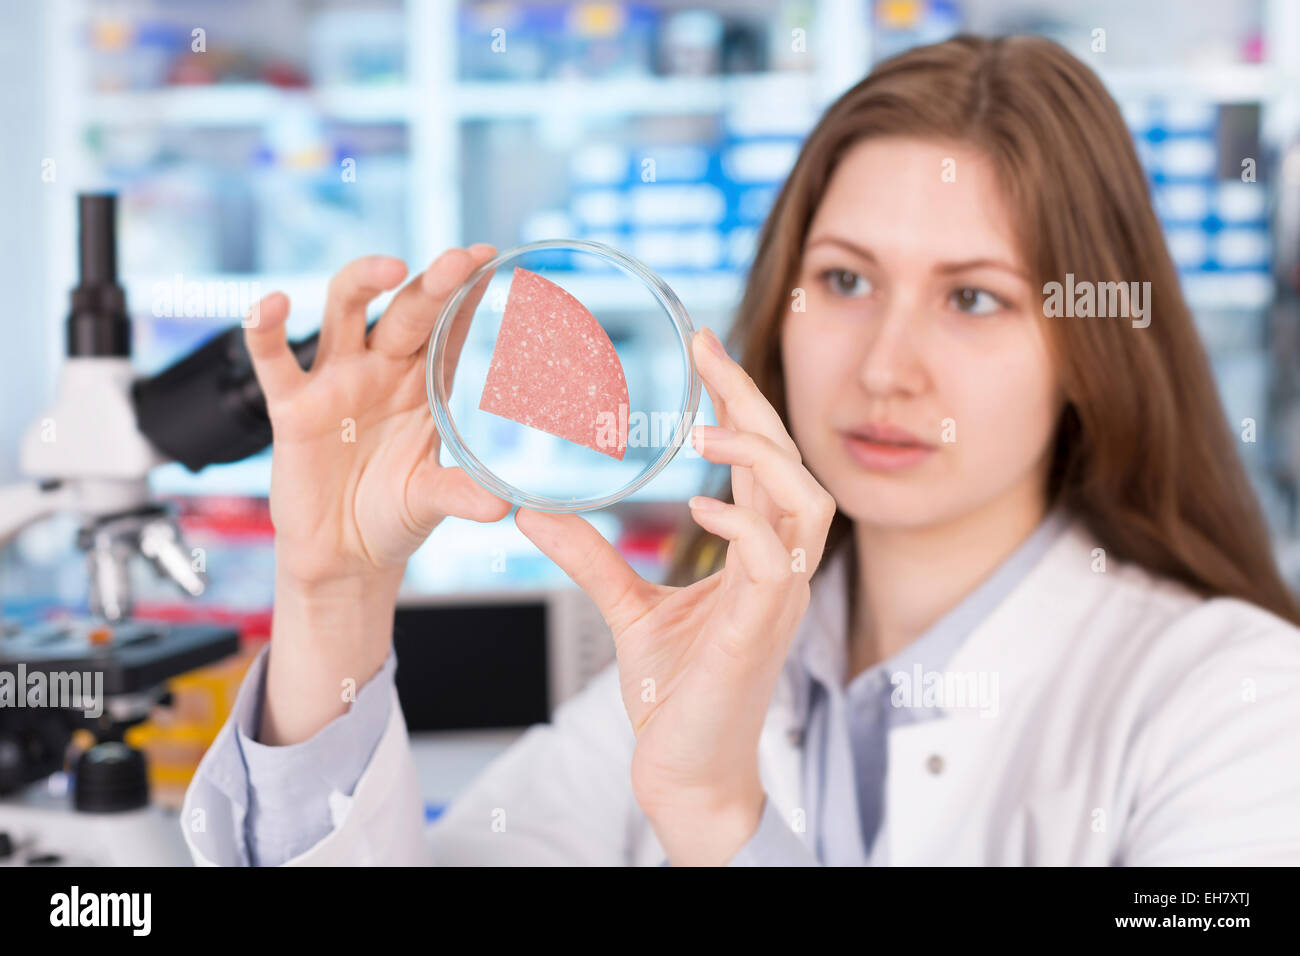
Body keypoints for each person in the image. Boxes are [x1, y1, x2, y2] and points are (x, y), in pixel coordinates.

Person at [182, 35, 1300, 866]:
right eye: (846, 280)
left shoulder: (1235, 705)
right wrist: (332, 590)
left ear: (1087, 341)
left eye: (972, 296)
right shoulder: (685, 657)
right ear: (781, 302)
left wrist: (721, 815)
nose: (883, 368)